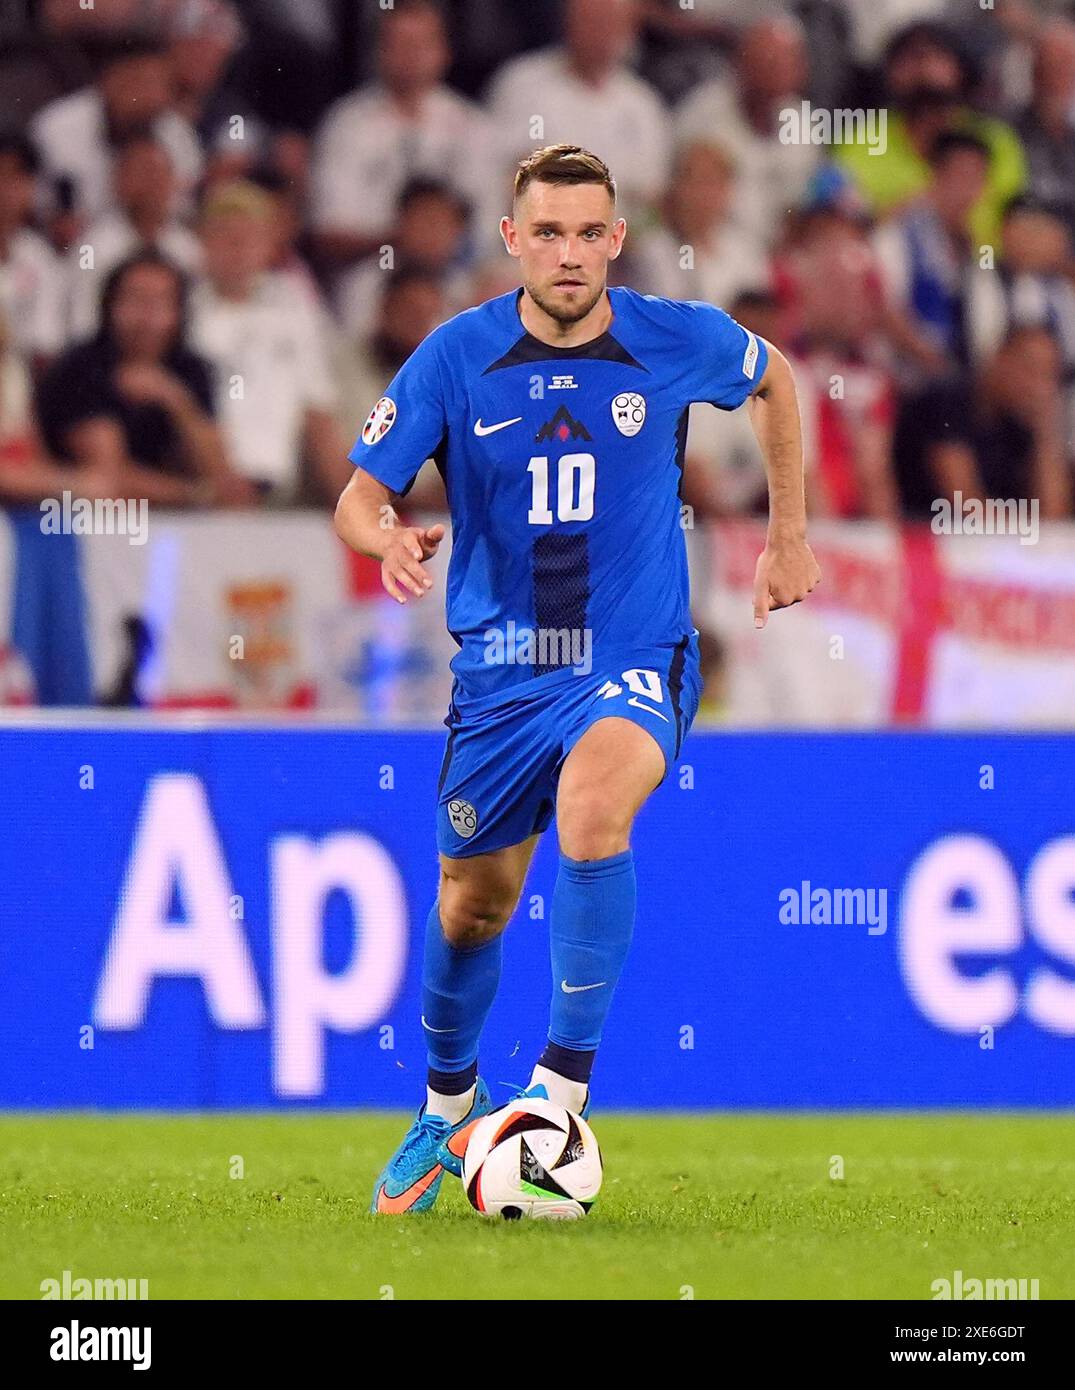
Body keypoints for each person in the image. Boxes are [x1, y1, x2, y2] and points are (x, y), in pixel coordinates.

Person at [334, 143, 820, 1214]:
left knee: (595, 810)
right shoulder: (455, 357)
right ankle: (446, 1108)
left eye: (585, 232)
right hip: (503, 672)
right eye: (543, 232)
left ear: (615, 238)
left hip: (635, 654)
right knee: (473, 905)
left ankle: (557, 1090)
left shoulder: (672, 337)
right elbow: (359, 493)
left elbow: (775, 378)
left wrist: (788, 534)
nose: (566, 253)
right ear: (512, 241)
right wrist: (386, 537)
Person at [36, 249, 248, 506]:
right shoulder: (80, 368)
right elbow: (107, 480)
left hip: (178, 525)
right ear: (110, 306)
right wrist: (195, 494)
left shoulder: (191, 369)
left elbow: (219, 473)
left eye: (160, 302)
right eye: (135, 299)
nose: (147, 316)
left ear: (179, 312)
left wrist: (176, 401)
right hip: (81, 522)